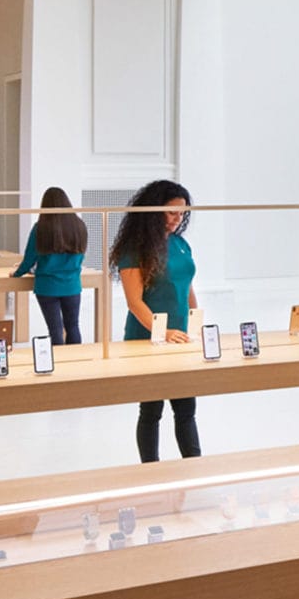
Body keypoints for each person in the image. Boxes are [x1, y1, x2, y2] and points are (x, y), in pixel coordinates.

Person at [112, 180, 201, 462]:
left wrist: (195, 322)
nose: (178, 219)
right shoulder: (135, 248)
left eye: (182, 214)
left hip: (181, 337)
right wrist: (163, 332)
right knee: (151, 410)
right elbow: (135, 302)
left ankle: (194, 465)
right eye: (172, 212)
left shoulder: (180, 244)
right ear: (154, 211)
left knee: (186, 408)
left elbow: (187, 286)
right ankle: (150, 469)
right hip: (147, 337)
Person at [11, 186, 88, 346]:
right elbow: (81, 254)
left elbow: (29, 258)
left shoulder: (40, 228)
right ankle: (76, 359)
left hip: (47, 287)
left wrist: (17, 273)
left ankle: (57, 360)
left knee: (55, 330)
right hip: (72, 285)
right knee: (73, 326)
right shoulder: (79, 226)